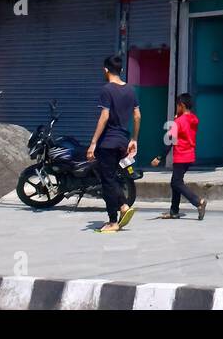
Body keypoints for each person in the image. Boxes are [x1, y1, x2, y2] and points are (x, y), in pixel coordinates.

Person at [87, 55, 139, 233]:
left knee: (107, 181)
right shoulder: (131, 90)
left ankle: (113, 221)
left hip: (107, 142)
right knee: (113, 179)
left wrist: (93, 143)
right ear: (122, 70)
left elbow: (104, 116)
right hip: (123, 142)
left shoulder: (106, 89)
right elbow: (137, 116)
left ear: (106, 70)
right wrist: (134, 139)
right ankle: (124, 206)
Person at [150, 93, 207, 221]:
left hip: (181, 156)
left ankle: (198, 202)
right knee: (176, 182)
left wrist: (159, 157)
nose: (176, 108)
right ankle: (174, 211)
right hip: (190, 155)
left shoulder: (178, 122)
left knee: (176, 182)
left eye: (177, 105)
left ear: (181, 105)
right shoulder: (194, 119)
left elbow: (170, 141)